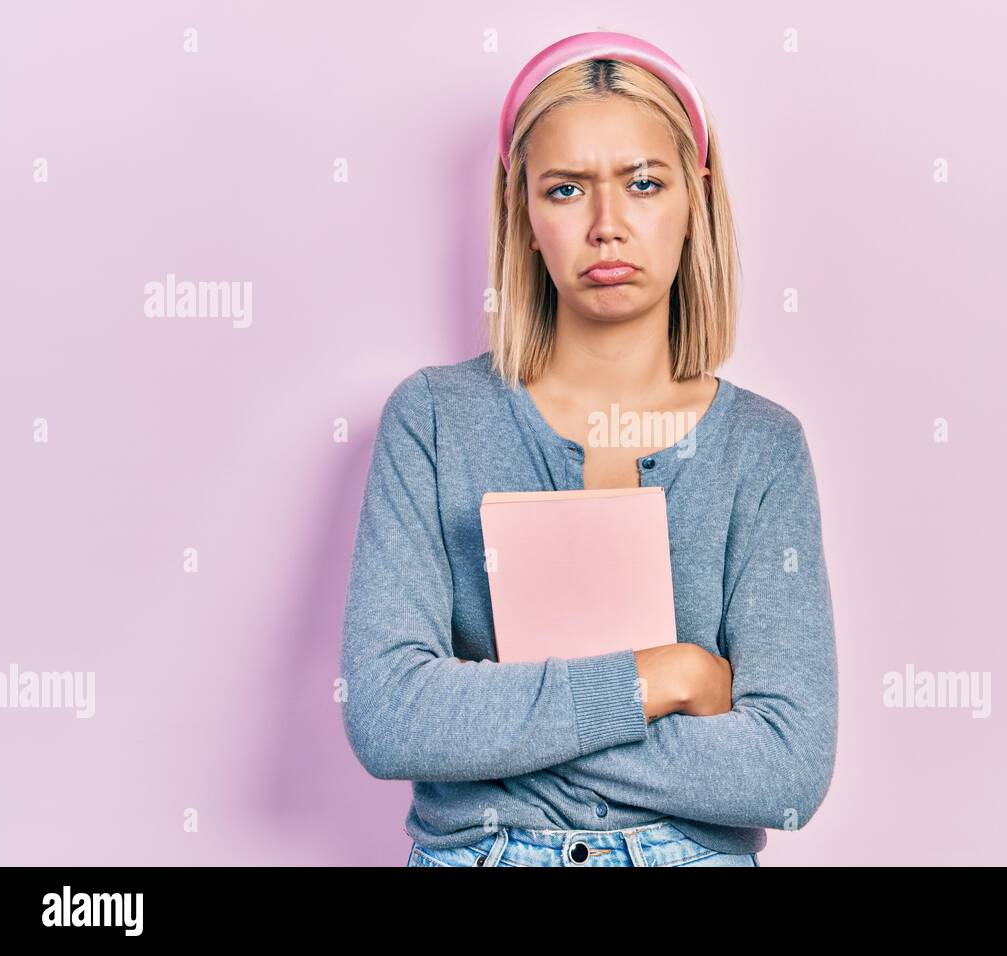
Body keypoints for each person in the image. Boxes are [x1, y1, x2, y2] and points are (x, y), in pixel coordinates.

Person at [340, 32, 838, 868]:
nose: (608, 227)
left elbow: (785, 769)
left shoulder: (762, 448)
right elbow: (390, 716)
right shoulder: (433, 419)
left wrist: (500, 736)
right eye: (567, 189)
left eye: (644, 184)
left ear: (695, 202)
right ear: (524, 215)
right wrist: (667, 677)